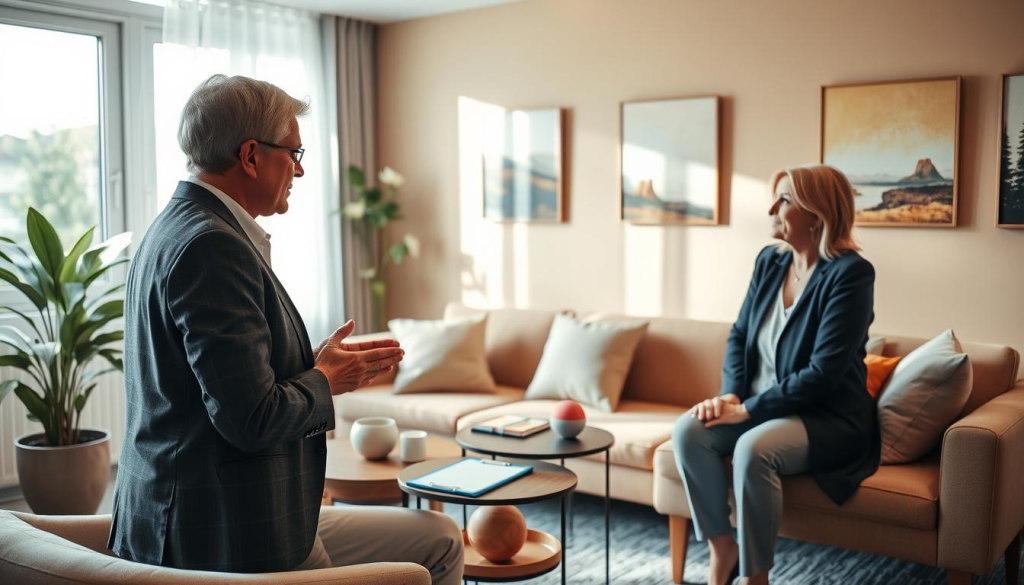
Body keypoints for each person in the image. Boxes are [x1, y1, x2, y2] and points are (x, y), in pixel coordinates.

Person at [108, 74, 463, 583]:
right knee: (439, 547)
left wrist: (311, 364)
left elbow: (220, 382)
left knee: (440, 535)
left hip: (227, 515)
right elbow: (251, 419)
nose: (299, 168)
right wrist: (326, 381)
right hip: (223, 536)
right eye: (294, 152)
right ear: (251, 155)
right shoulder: (213, 247)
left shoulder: (176, 226)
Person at [672, 165, 879, 585]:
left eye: (784, 199)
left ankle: (755, 576)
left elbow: (823, 373)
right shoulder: (770, 261)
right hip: (759, 407)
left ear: (816, 215)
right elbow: (740, 334)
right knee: (689, 431)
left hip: (825, 418)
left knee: (753, 449)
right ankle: (722, 550)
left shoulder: (851, 275)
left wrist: (747, 410)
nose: (772, 207)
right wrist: (731, 395)